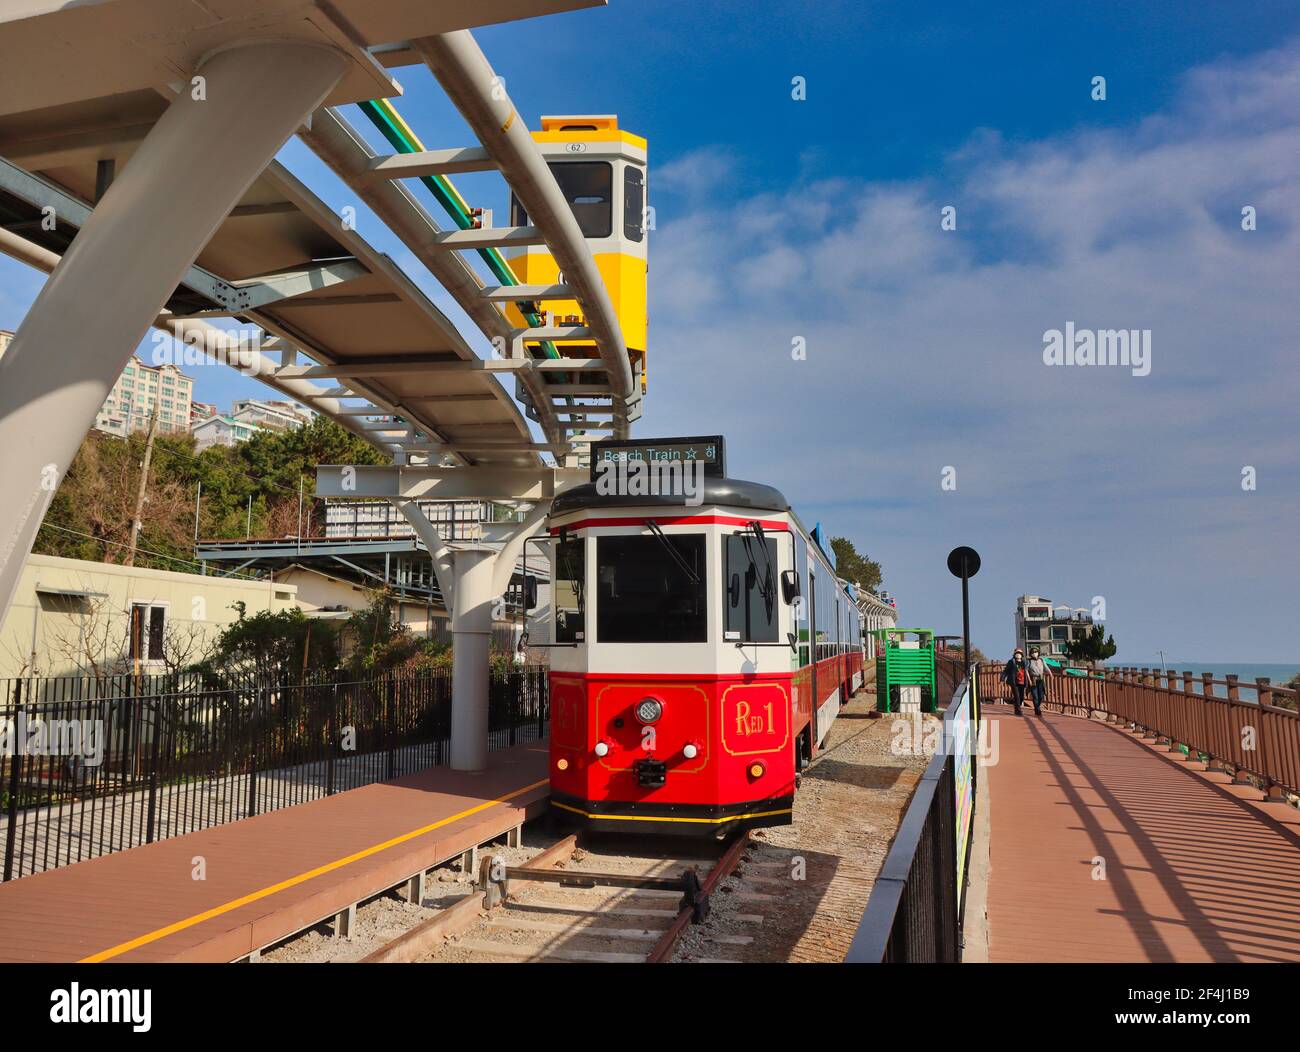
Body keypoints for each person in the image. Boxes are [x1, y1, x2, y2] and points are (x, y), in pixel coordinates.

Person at [1001, 648, 1030, 716]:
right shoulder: (1011, 662)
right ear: (1014, 654)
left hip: (1022, 681)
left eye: (1019, 653)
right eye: (1017, 653)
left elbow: (1027, 671)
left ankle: (1017, 706)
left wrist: (1029, 680)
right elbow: (1006, 671)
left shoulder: (1024, 662)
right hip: (1014, 682)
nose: (1018, 654)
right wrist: (1002, 679)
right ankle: (1018, 711)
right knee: (1017, 696)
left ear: (1022, 654)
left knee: (1021, 697)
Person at [1027, 646, 1051, 717]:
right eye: (1033, 652)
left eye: (1036, 652)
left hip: (1041, 679)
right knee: (1035, 696)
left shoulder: (1041, 660)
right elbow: (1026, 671)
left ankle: (1037, 706)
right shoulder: (1029, 661)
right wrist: (1029, 680)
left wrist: (1050, 673)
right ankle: (1037, 710)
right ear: (1030, 654)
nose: (1034, 653)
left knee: (1041, 695)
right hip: (1033, 679)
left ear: (1038, 652)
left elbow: (1046, 667)